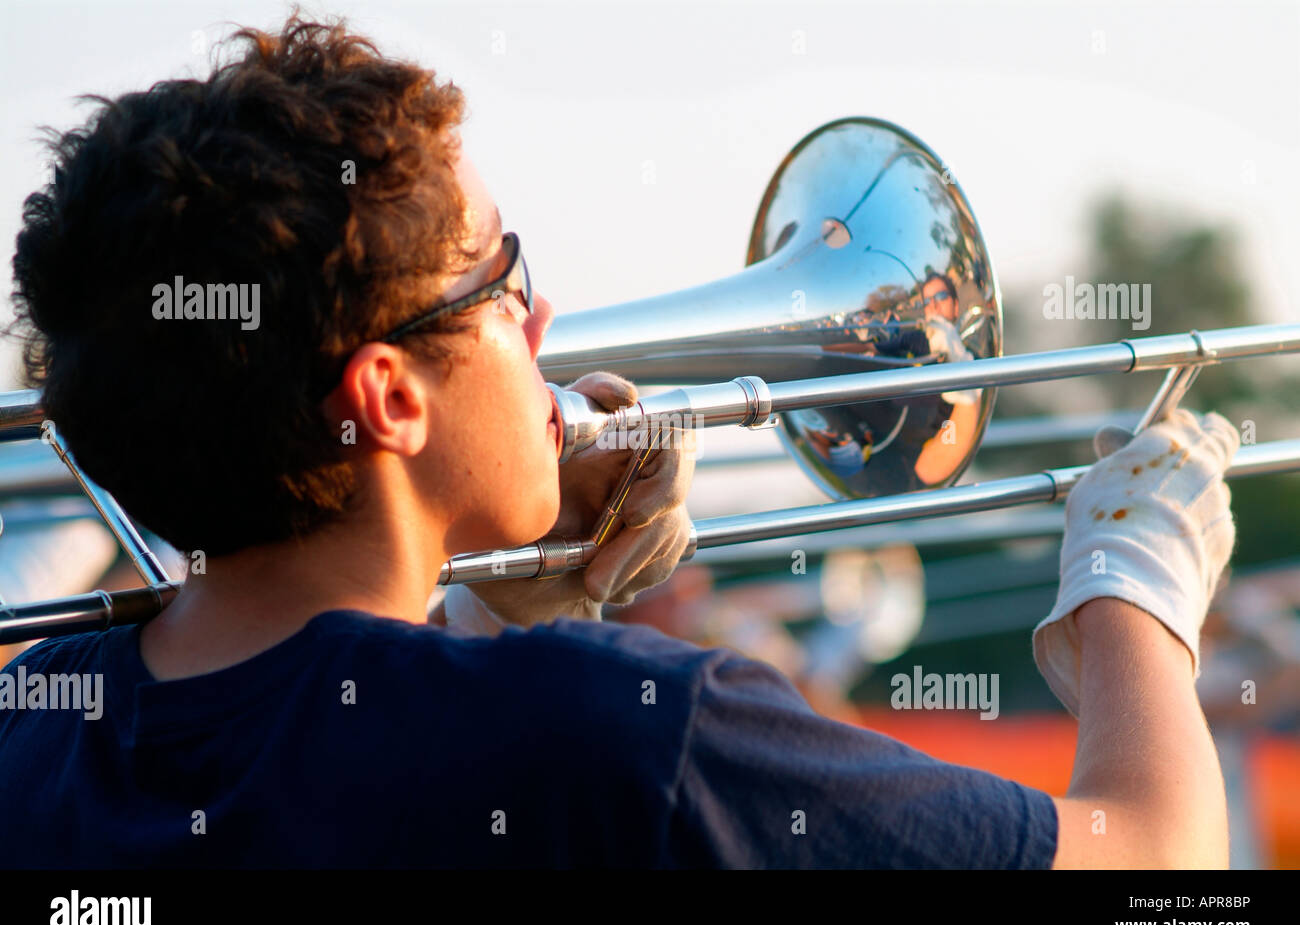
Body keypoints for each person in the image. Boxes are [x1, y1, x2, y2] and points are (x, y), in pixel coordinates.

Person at [0, 16, 1235, 868]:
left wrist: (482, 611)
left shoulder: (31, 724)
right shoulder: (627, 732)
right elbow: (1156, 870)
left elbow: (316, 736)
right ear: (387, 400)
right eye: (501, 278)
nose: (541, 319)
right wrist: (1134, 590)